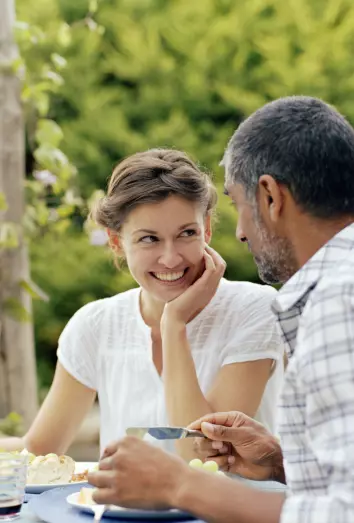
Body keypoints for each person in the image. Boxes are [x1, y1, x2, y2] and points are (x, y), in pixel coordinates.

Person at [88, 96, 354, 523]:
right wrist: (278, 461)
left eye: (237, 204)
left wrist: (178, 484)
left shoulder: (339, 303)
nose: (241, 232)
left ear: (270, 196)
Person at [0, 148, 284, 461]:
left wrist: (174, 324)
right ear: (115, 241)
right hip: (119, 510)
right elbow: (39, 451)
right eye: (149, 239)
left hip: (227, 510)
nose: (170, 257)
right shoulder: (95, 325)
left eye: (187, 233)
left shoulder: (253, 310)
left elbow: (203, 456)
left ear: (207, 230)